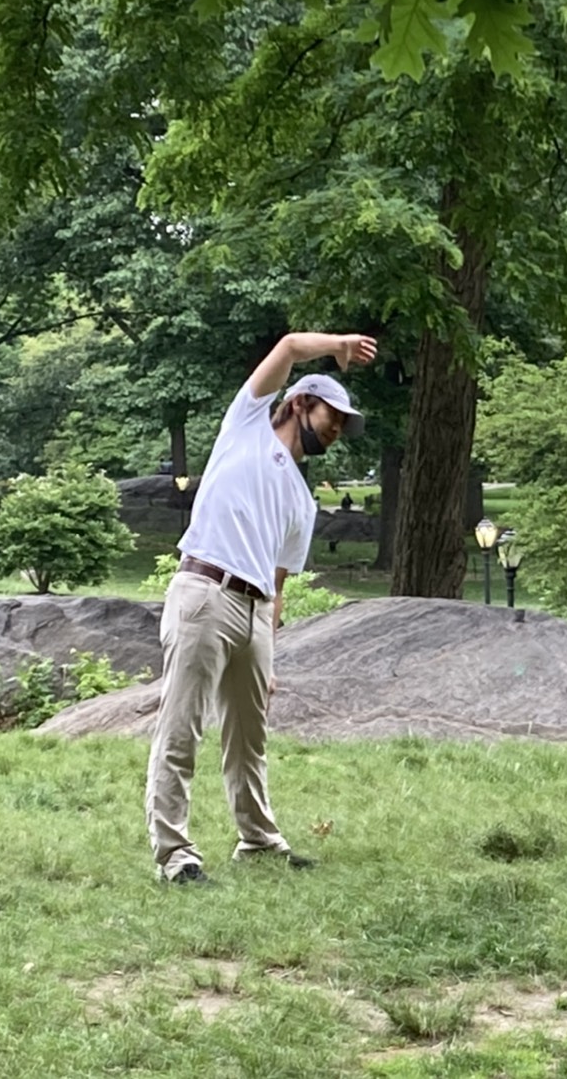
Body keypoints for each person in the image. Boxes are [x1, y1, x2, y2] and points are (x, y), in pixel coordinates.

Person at [145, 331, 376, 883]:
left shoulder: (301, 496)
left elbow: (278, 579)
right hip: (205, 593)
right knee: (183, 726)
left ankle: (259, 840)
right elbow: (292, 345)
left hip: (254, 613)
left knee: (250, 738)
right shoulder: (245, 428)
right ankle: (174, 854)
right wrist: (338, 345)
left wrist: (268, 646)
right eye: (332, 416)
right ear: (300, 403)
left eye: (344, 424)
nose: (337, 430)